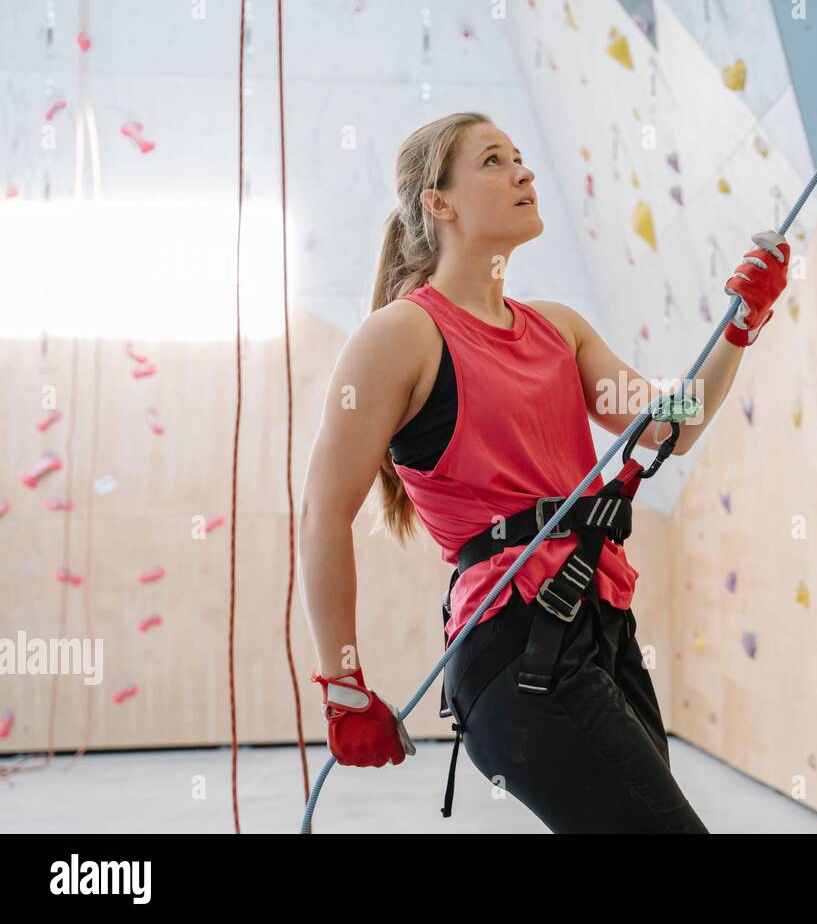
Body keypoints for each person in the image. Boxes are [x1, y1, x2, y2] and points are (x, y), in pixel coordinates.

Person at [299, 111, 789, 832]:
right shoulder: (402, 334)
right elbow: (322, 510)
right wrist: (343, 685)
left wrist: (741, 326)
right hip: (513, 649)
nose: (524, 172)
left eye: (521, 158)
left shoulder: (559, 329)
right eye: (494, 161)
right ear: (440, 203)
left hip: (603, 630)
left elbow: (668, 426)